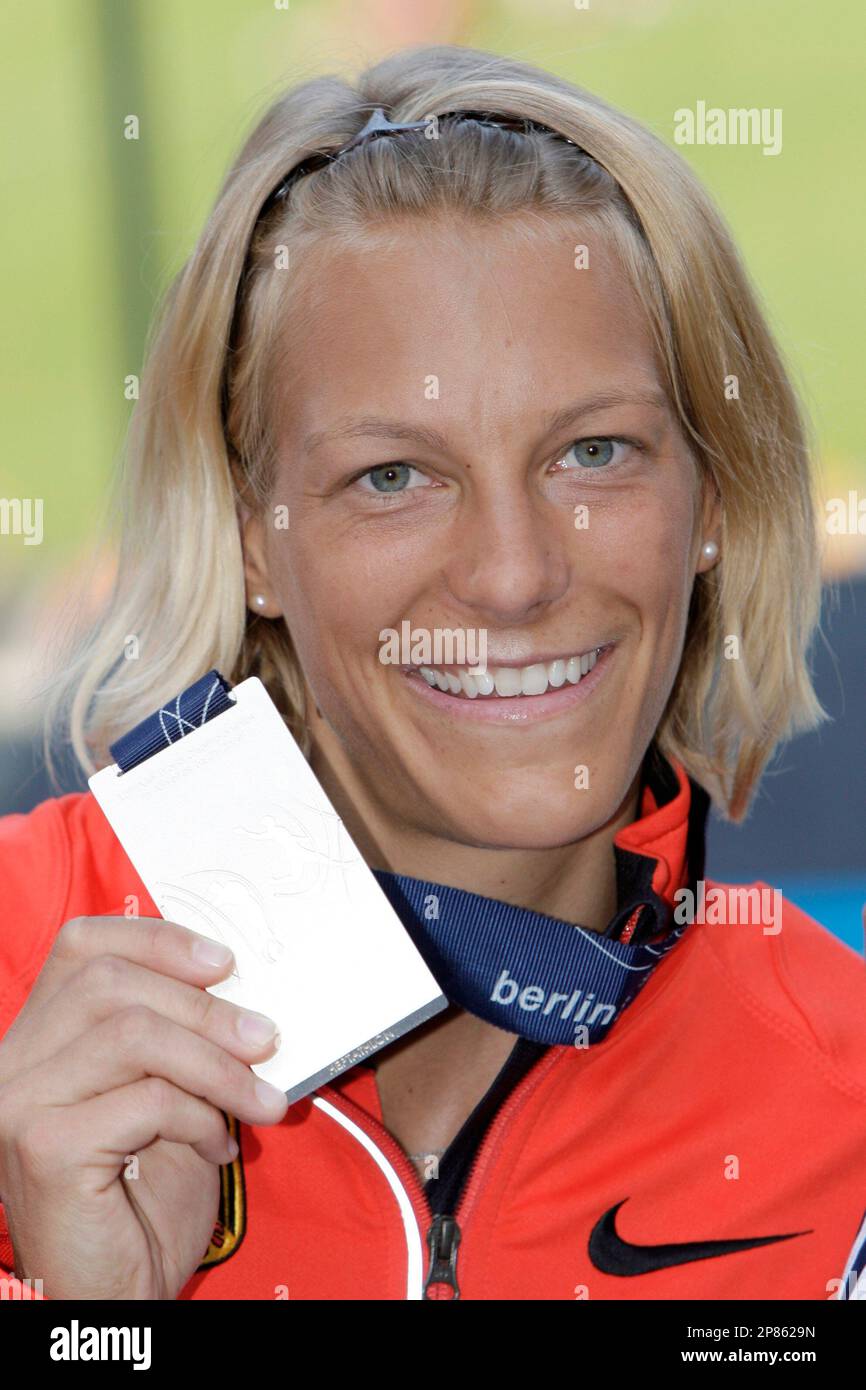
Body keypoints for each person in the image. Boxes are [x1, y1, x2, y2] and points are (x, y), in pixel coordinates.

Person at [1, 43, 863, 1302]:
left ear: (713, 493)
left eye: (594, 451)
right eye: (392, 477)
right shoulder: (22, 961)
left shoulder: (840, 1093)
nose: (512, 574)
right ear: (248, 535)